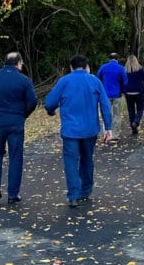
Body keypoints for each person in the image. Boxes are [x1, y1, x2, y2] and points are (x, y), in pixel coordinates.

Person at [45, 54, 113, 208]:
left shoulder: (64, 81)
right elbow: (105, 105)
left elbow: (49, 102)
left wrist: (51, 111)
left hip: (70, 130)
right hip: (90, 130)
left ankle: (73, 195)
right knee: (87, 159)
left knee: (71, 161)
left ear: (71, 67)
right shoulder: (94, 80)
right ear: (86, 66)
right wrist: (108, 128)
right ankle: (86, 190)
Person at [0, 52, 38, 205]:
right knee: (15, 156)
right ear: (18, 64)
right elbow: (33, 101)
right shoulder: (25, 80)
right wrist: (23, 114)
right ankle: (12, 194)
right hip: (15, 122)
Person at [96, 53, 128, 141]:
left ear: (109, 59)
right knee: (116, 115)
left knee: (106, 114)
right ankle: (115, 134)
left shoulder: (103, 67)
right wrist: (123, 91)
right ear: (117, 59)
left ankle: (106, 133)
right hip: (117, 94)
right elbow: (125, 81)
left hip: (105, 95)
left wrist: (100, 90)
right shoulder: (121, 68)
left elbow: (97, 79)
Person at [123, 54, 144, 134]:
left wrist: (123, 90)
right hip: (138, 91)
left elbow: (122, 81)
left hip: (128, 92)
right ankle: (136, 121)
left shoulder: (125, 70)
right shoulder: (141, 69)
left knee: (131, 110)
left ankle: (133, 128)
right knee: (140, 108)